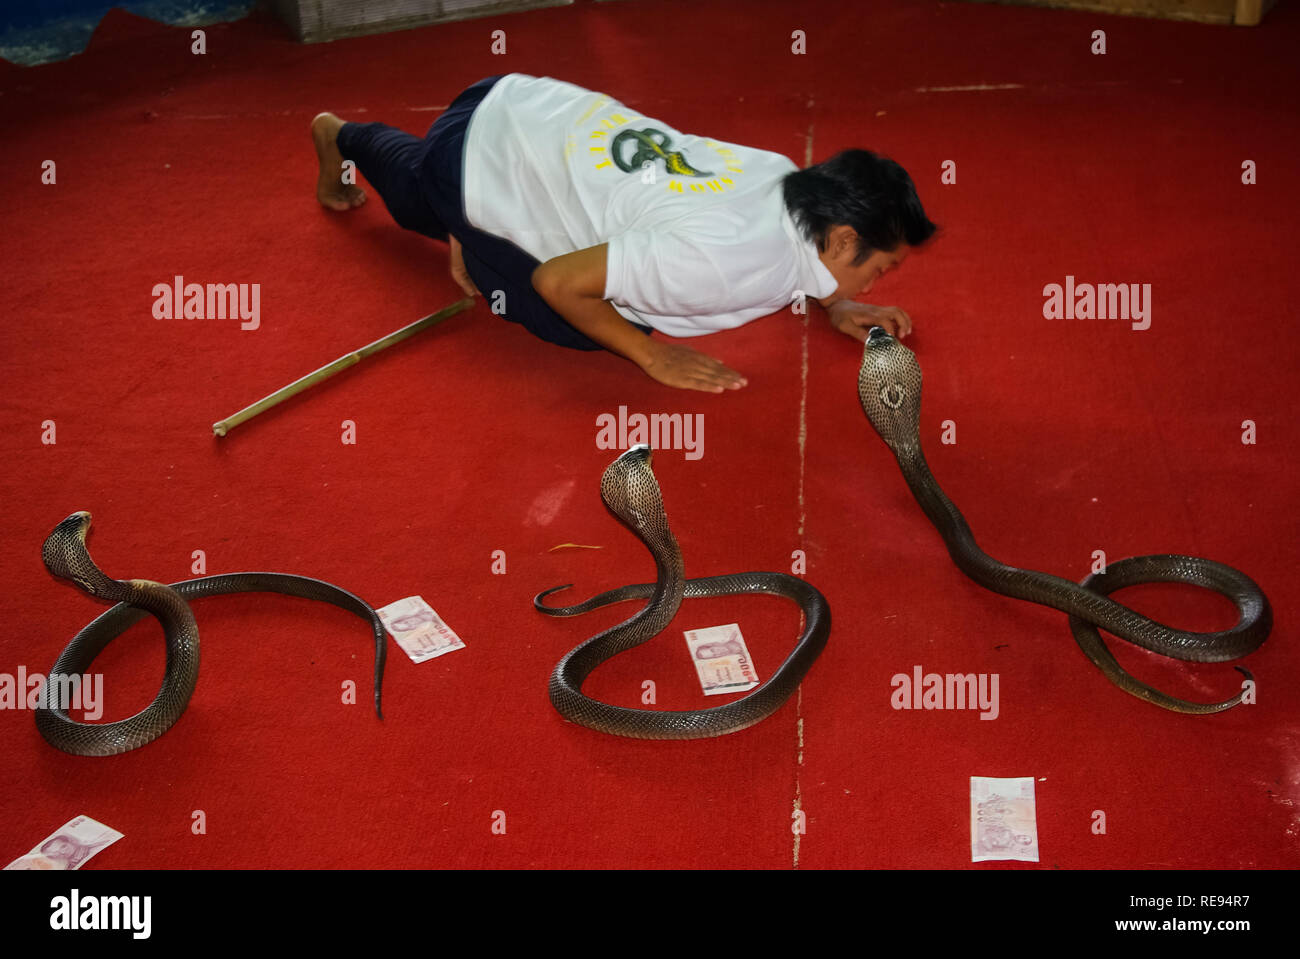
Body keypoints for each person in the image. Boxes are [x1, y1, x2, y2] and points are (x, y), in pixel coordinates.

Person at [311, 73, 936, 393]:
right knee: (583, 321)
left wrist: (837, 300)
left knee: (444, 197)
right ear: (844, 240)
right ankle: (340, 135)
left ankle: (458, 216)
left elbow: (793, 250)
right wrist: (652, 355)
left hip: (528, 102)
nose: (878, 281)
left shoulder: (787, 178)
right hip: (478, 152)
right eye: (881, 268)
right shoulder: (720, 261)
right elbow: (558, 282)